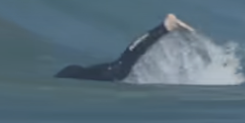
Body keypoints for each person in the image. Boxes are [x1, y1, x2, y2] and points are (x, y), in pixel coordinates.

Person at [54, 13, 195, 82]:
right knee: (123, 71)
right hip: (72, 75)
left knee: (119, 69)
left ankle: (165, 27)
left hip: (73, 76)